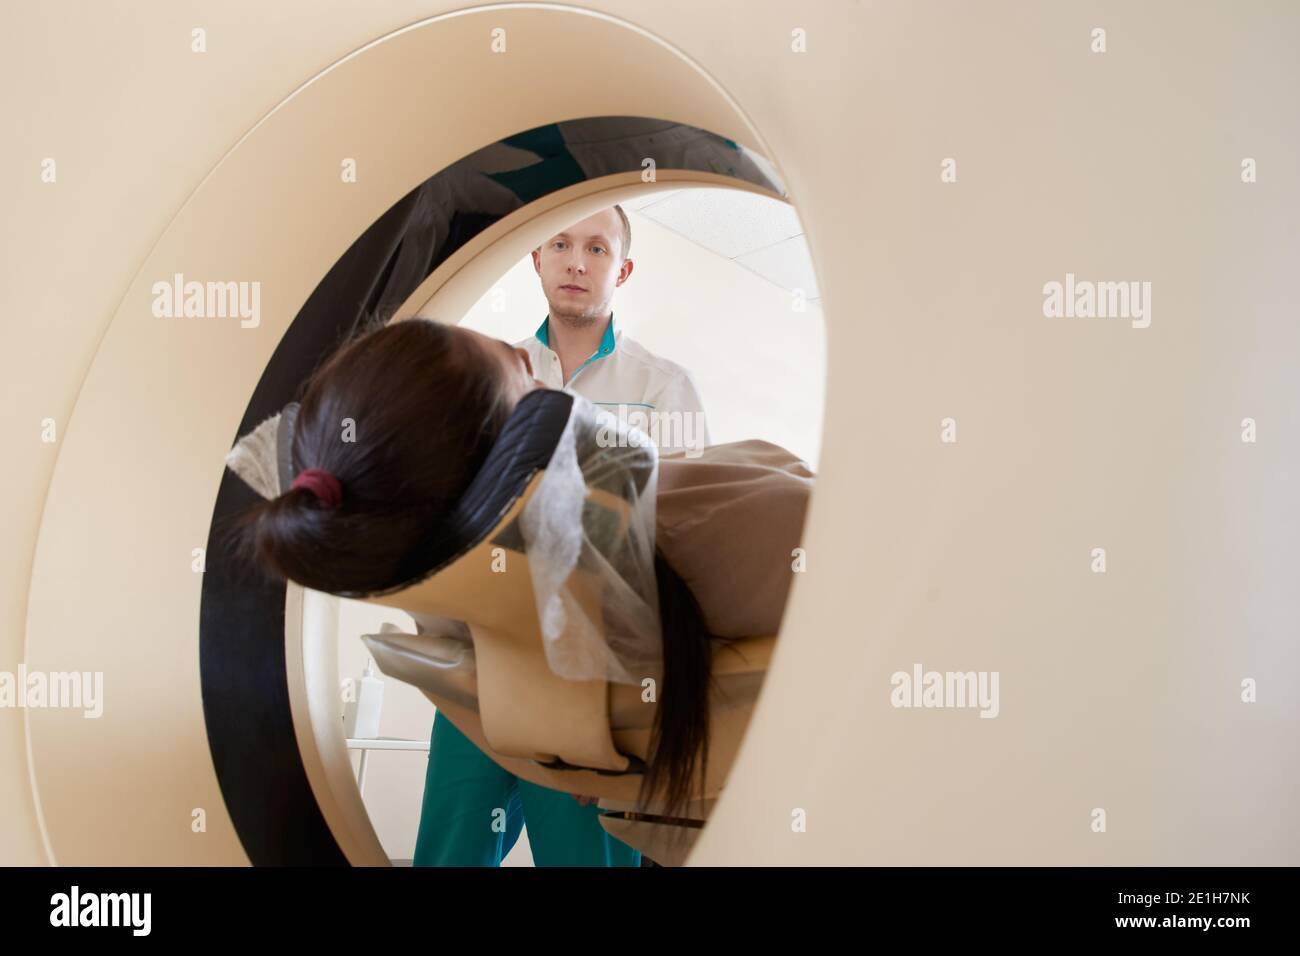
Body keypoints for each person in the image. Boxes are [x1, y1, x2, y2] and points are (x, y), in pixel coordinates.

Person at [230, 319, 812, 861]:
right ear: (516, 445)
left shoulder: (426, 583)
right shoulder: (731, 522)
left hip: (562, 730)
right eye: (524, 372)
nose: (543, 380)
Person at [413, 206, 709, 866]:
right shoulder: (486, 377)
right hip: (486, 662)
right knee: (450, 852)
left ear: (621, 269)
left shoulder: (663, 388)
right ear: (536, 258)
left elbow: (685, 536)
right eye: (562, 244)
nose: (578, 260)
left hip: (600, 671)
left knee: (586, 858)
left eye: (598, 249)